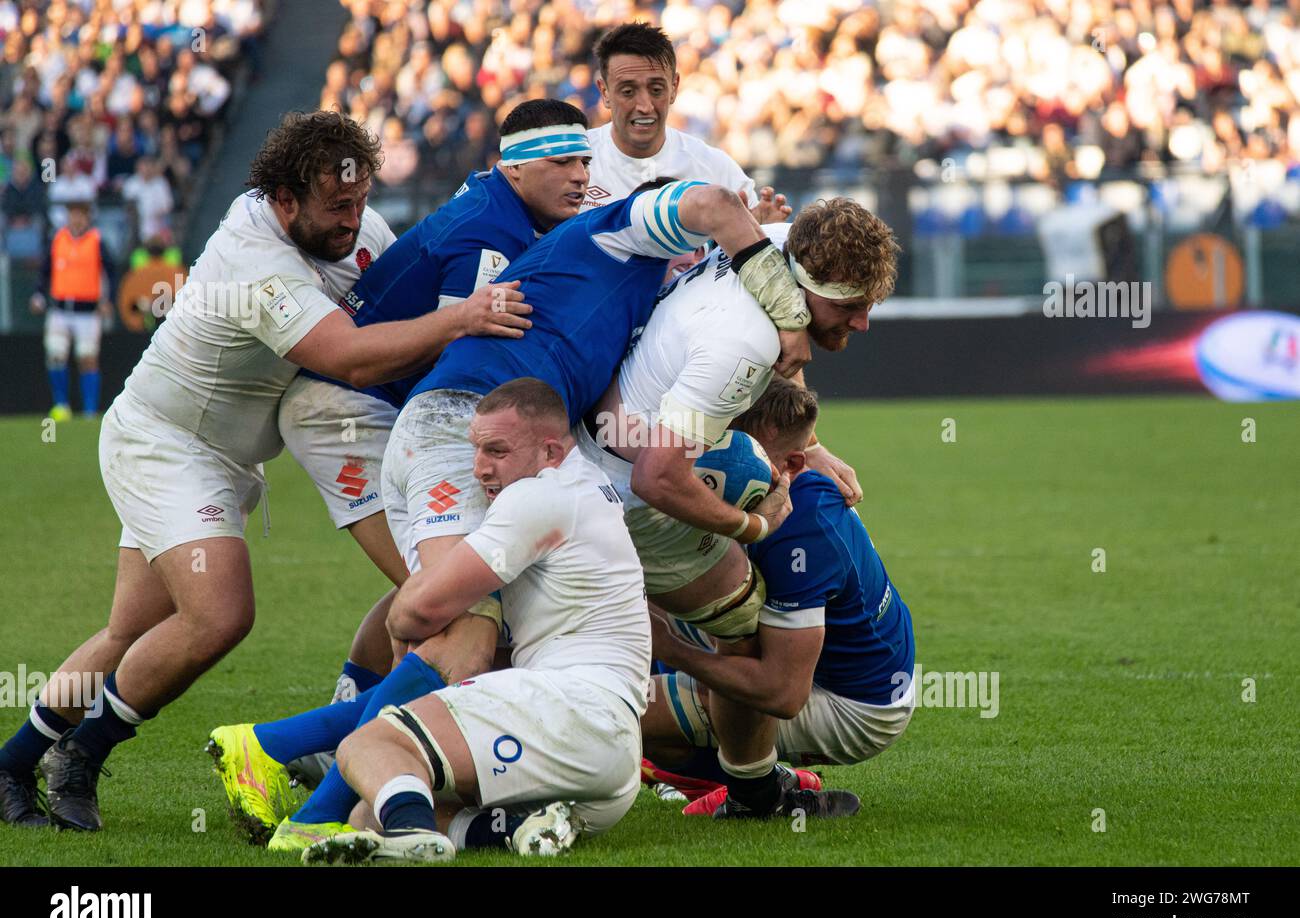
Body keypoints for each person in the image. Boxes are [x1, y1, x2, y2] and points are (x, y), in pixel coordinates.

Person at [213, 176, 813, 851]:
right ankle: (282, 755)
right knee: (456, 638)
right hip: (461, 426)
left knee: (462, 637)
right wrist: (777, 293)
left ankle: (357, 782)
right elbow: (708, 205)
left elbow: (618, 418)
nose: (696, 257)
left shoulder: (642, 297)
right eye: (692, 248)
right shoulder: (619, 237)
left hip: (451, 428)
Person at [0, 110, 528, 832]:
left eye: (361, 201)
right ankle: (84, 752)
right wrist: (464, 317)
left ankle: (12, 762)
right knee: (220, 614)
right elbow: (348, 355)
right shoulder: (253, 254)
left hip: (221, 452)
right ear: (284, 200)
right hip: (166, 442)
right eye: (336, 206)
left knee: (128, 632)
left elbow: (399, 316)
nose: (353, 221)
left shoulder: (356, 230)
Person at [271, 100, 592, 730]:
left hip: (358, 405)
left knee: (428, 588)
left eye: (584, 159)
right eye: (560, 161)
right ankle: (358, 747)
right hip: (346, 411)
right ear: (515, 169)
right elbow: (460, 354)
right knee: (457, 600)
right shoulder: (489, 235)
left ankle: (339, 731)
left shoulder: (502, 206)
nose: (579, 174)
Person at [576, 199, 899, 817]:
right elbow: (657, 477)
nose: (861, 324)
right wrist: (752, 524)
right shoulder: (743, 344)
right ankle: (746, 792)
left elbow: (788, 360)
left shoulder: (775, 243)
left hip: (612, 442)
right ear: (806, 289)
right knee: (745, 622)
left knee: (537, 611)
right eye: (850, 308)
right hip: (627, 492)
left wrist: (810, 445)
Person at [303, 378, 651, 864]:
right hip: (608, 766)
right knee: (367, 811)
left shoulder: (537, 496)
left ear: (550, 450)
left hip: (572, 711)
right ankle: (508, 830)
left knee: (369, 744)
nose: (480, 468)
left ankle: (412, 838)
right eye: (476, 449)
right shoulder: (586, 485)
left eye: (497, 450)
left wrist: (402, 620)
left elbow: (422, 606)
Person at [641, 378, 917, 815]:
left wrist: (669, 647)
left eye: (742, 458)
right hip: (800, 664)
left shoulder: (802, 530)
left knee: (623, 711)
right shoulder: (771, 485)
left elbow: (781, 692)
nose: (710, 464)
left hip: (854, 706)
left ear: (791, 462)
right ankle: (739, 773)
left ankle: (757, 794)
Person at [586, 23, 791, 225]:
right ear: (605, 92)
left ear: (674, 87)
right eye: (628, 92)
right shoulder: (574, 160)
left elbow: (756, 239)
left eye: (656, 89)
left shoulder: (715, 168)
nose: (645, 106)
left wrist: (763, 234)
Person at [30, 199, 114, 421]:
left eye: (80, 215)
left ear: (87, 218)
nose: (75, 219)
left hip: (87, 310)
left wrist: (109, 299)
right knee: (56, 354)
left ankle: (89, 411)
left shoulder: (96, 241)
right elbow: (44, 270)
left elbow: (111, 271)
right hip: (60, 309)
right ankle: (61, 405)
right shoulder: (58, 240)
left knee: (87, 357)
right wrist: (39, 294)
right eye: (72, 215)